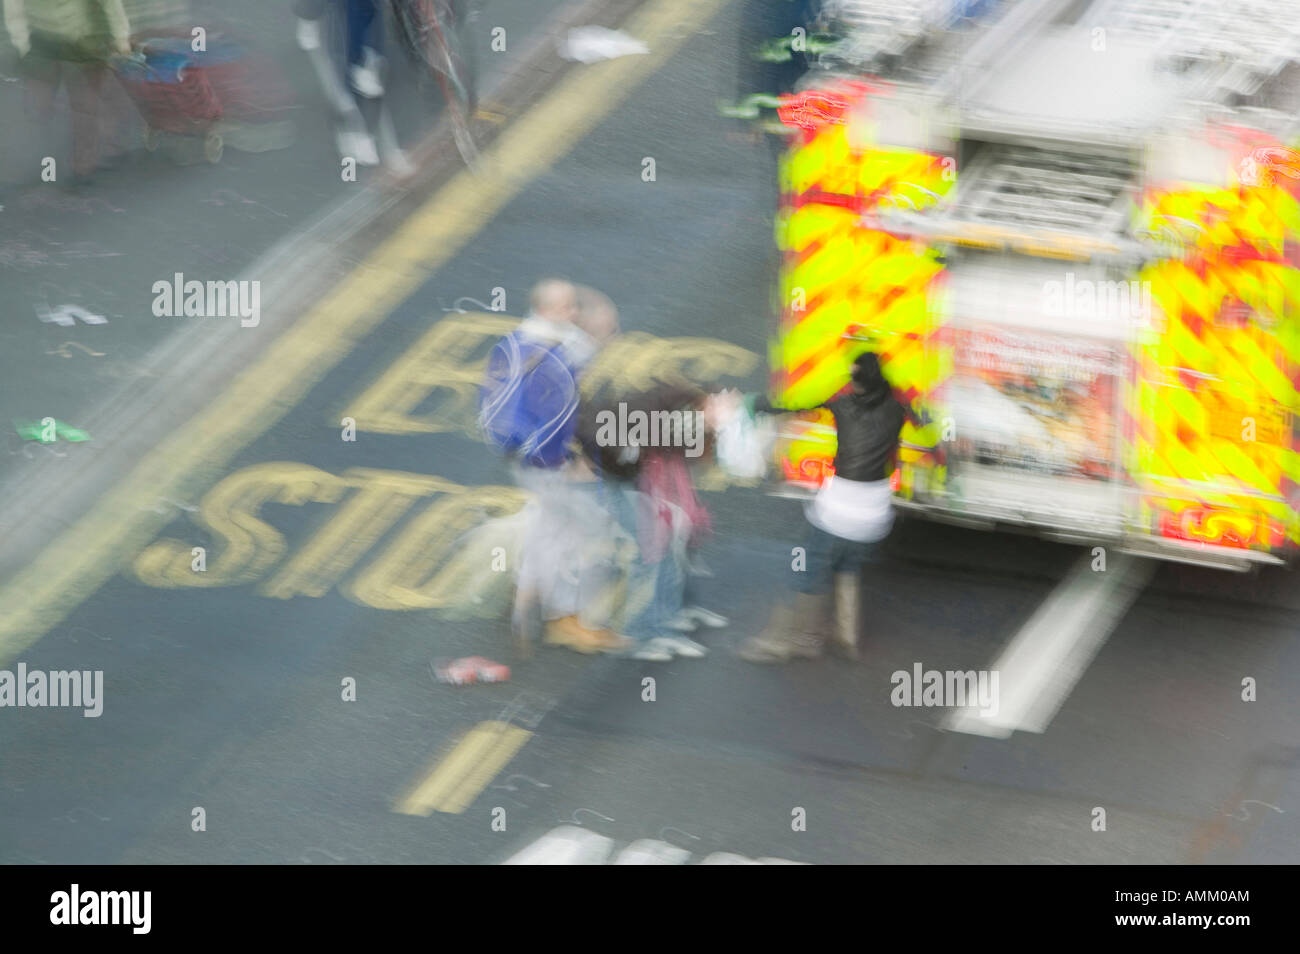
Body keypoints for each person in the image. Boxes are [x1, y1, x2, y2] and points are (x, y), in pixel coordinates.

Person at [480, 279, 628, 657]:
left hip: (525, 458)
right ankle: (565, 618)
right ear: (545, 309)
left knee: (549, 525)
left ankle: (526, 592)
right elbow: (553, 413)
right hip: (546, 460)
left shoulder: (523, 340)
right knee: (581, 529)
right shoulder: (548, 354)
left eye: (573, 305)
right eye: (566, 307)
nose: (573, 313)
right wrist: (567, 462)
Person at [739, 351, 905, 663]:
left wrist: (756, 404)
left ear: (856, 383)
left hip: (838, 511)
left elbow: (793, 405)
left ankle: (804, 638)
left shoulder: (842, 404)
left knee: (809, 570)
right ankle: (848, 636)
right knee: (848, 566)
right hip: (875, 515)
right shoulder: (897, 408)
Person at [4, 0, 133, 182]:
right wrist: (22, 43)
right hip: (41, 40)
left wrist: (121, 38)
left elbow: (110, 3)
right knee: (38, 106)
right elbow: (13, 6)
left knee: (84, 104)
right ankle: (48, 156)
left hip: (84, 36)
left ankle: (83, 166)